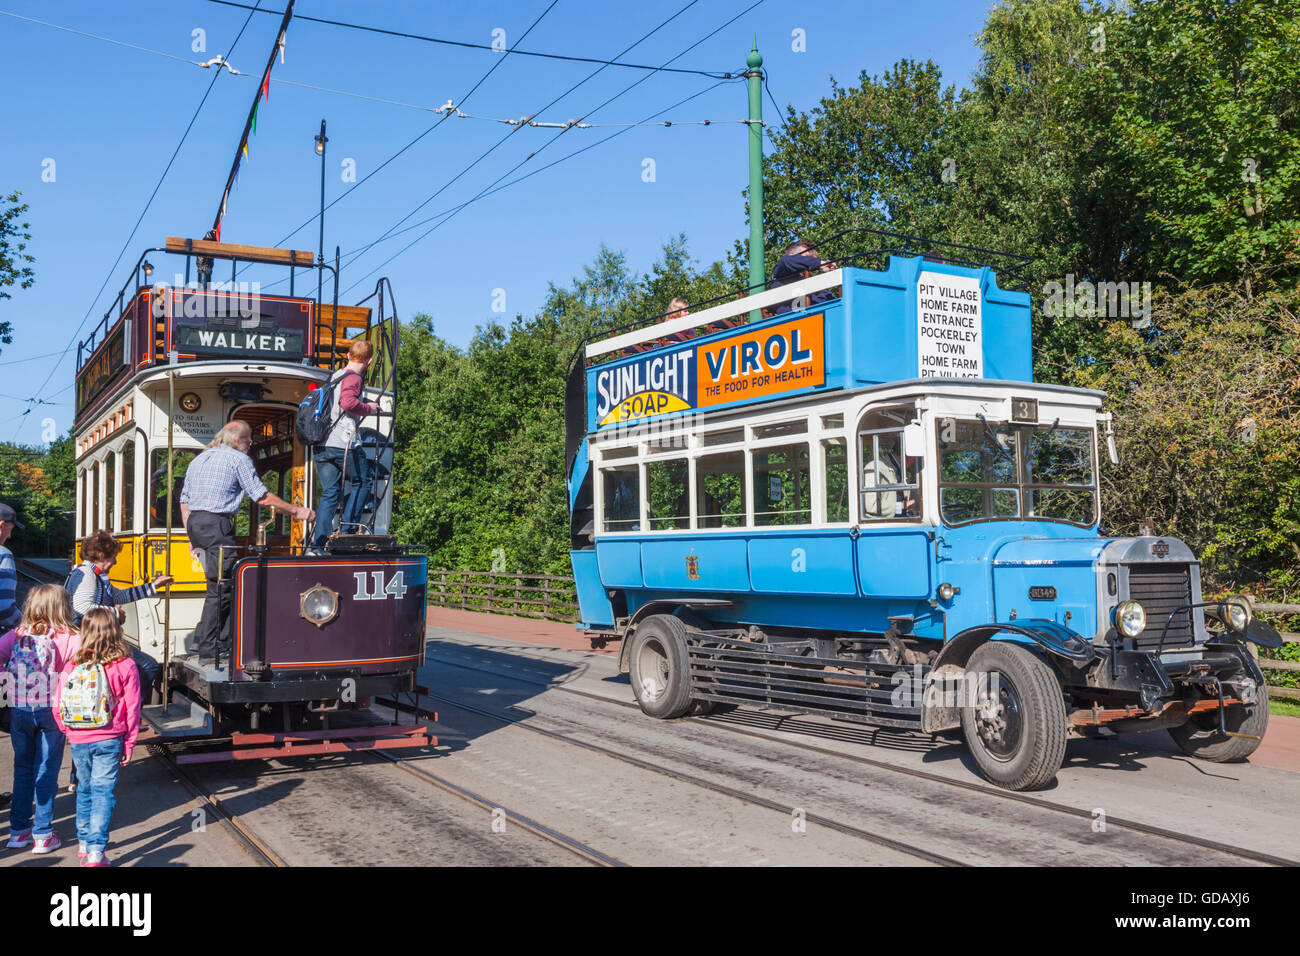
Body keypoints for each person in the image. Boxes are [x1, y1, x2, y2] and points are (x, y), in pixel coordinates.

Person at [180, 421, 314, 664]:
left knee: (221, 585)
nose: (250, 445)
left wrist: (191, 536)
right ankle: (210, 649)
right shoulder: (238, 459)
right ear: (240, 440)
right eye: (250, 441)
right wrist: (296, 511)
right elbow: (261, 497)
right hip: (216, 524)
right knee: (221, 589)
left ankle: (211, 640)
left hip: (197, 523)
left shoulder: (199, 459)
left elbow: (184, 501)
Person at [52, 607, 140, 868]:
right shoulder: (125, 664)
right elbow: (133, 707)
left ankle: (83, 843)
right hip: (109, 737)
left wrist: (66, 729)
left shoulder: (73, 664)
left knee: (85, 790)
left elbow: (58, 703)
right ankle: (95, 853)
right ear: (116, 631)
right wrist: (130, 741)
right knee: (103, 793)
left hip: (79, 737)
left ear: (84, 632)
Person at [0, 585, 81, 854]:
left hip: (20, 710)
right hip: (52, 711)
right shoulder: (69, 637)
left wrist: (9, 679)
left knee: (22, 769)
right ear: (62, 608)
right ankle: (43, 834)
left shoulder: (17, 635)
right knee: (46, 770)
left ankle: (17, 831)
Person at [65, 529, 172, 694]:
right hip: (93, 640)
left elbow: (119, 596)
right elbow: (82, 606)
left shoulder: (96, 574)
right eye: (113, 556)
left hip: (100, 638)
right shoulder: (87, 575)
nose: (115, 561)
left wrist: (152, 587)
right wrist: (114, 613)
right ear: (101, 555)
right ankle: (126, 707)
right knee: (148, 666)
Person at [311, 340, 380, 551]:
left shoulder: (334, 377)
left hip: (322, 444)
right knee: (363, 481)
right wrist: (369, 408)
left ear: (348, 355)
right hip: (343, 442)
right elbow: (348, 403)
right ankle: (349, 531)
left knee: (330, 492)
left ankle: (318, 544)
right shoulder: (354, 378)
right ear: (368, 361)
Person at [771, 239, 837, 314]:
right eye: (805, 257)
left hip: (820, 315)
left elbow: (827, 298)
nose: (807, 261)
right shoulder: (782, 269)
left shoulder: (810, 281)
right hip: (794, 316)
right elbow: (786, 261)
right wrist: (820, 264)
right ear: (791, 256)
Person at [0, 503, 24, 632]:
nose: (9, 536)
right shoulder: (3, 554)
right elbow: (4, 607)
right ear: (2, 525)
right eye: (11, 529)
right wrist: (24, 623)